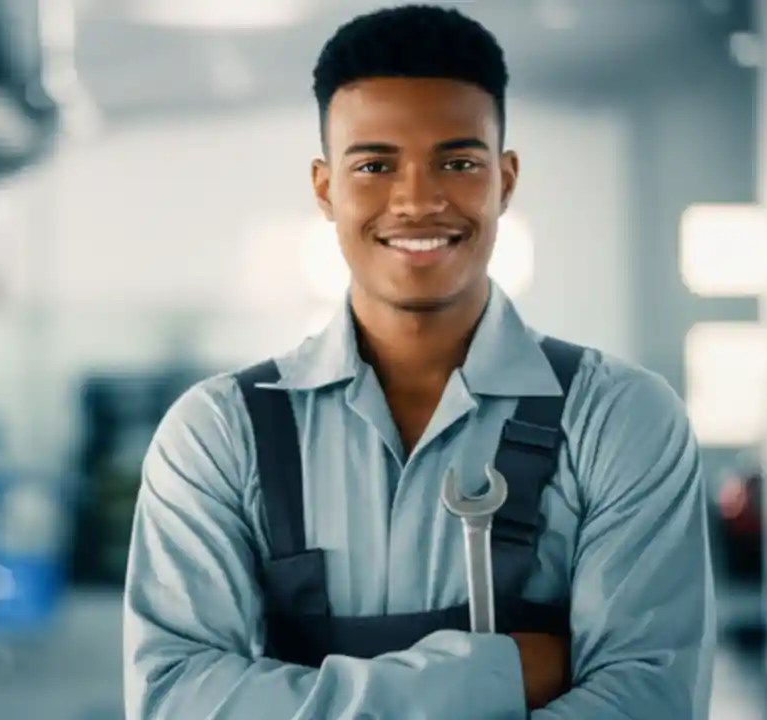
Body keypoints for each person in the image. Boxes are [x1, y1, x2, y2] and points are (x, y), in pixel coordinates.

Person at [122, 4, 715, 719]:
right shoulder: (218, 433)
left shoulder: (621, 419)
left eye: (458, 162)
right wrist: (495, 678)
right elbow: (174, 698)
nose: (418, 200)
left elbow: (646, 699)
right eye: (374, 165)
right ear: (324, 188)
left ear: (506, 179)